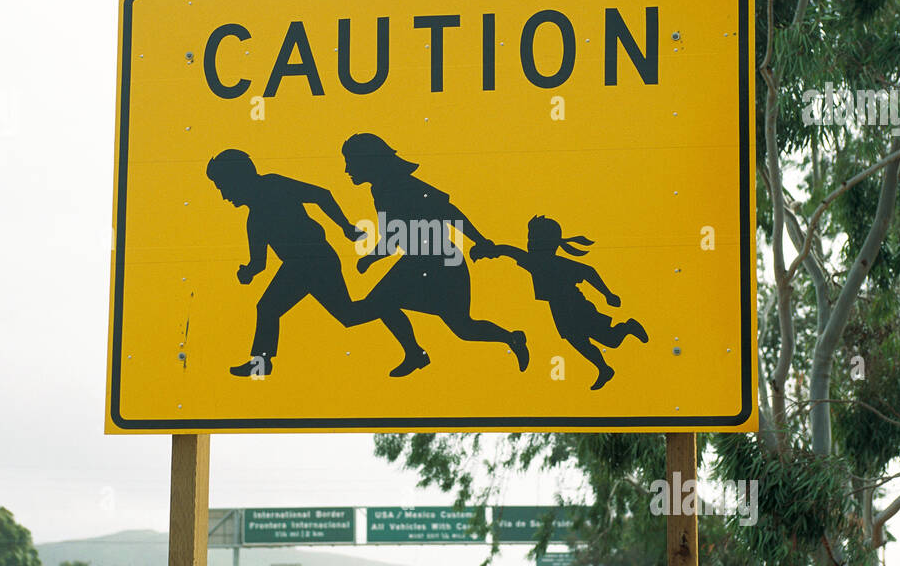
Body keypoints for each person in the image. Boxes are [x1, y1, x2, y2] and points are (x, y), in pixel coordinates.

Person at [341, 132, 528, 377]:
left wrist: (481, 240)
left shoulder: (402, 185)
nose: (347, 169)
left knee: (462, 328)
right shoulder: (381, 190)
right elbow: (394, 237)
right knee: (456, 325)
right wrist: (372, 258)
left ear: (369, 161)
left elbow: (448, 211)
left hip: (439, 260)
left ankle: (509, 339)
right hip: (419, 261)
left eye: (351, 162)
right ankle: (417, 353)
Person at [206, 148, 369, 376]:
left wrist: (346, 227)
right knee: (348, 315)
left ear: (239, 179)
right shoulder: (254, 220)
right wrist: (248, 273)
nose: (224, 196)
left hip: (315, 260)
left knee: (269, 308)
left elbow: (321, 195)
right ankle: (262, 363)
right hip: (300, 265)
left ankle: (262, 364)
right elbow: (259, 263)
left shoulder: (274, 185)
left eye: (224, 187)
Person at [473, 215, 647, 390]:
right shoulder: (536, 261)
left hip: (576, 305)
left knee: (611, 340)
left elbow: (588, 271)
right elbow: (510, 251)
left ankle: (628, 327)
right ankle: (604, 369)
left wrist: (608, 294)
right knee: (578, 342)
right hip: (559, 309)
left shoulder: (549, 262)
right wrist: (490, 251)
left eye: (533, 238)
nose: (529, 243)